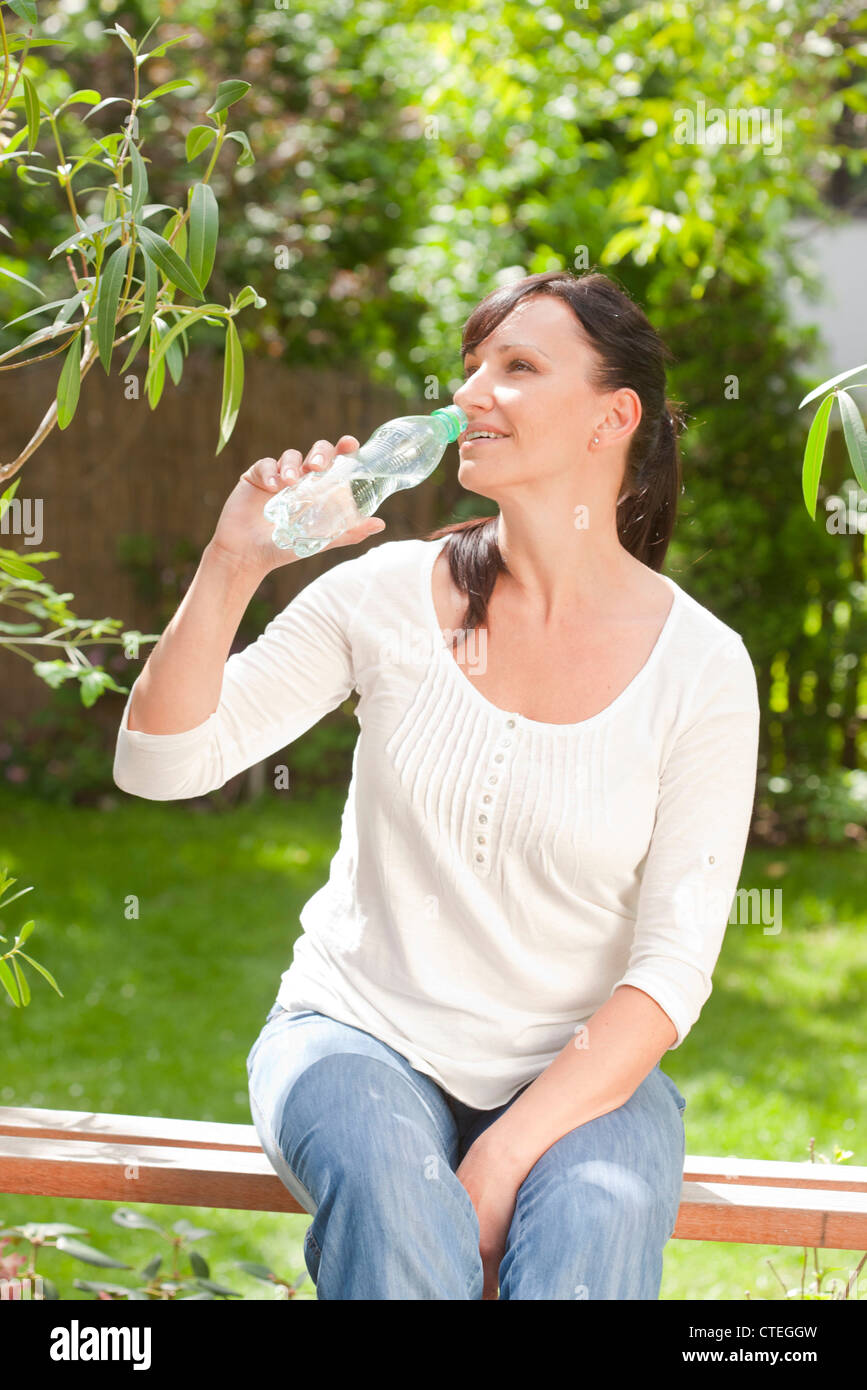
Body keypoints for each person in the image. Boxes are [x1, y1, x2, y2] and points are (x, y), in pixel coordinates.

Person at [113, 269, 761, 1300]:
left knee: (599, 1209)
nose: (469, 394)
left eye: (518, 367)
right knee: (393, 1185)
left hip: (583, 1071)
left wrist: (504, 1158)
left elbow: (671, 972)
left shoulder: (702, 666)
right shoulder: (383, 596)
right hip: (358, 1038)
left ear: (613, 416)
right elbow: (158, 762)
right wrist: (236, 564)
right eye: (471, 369)